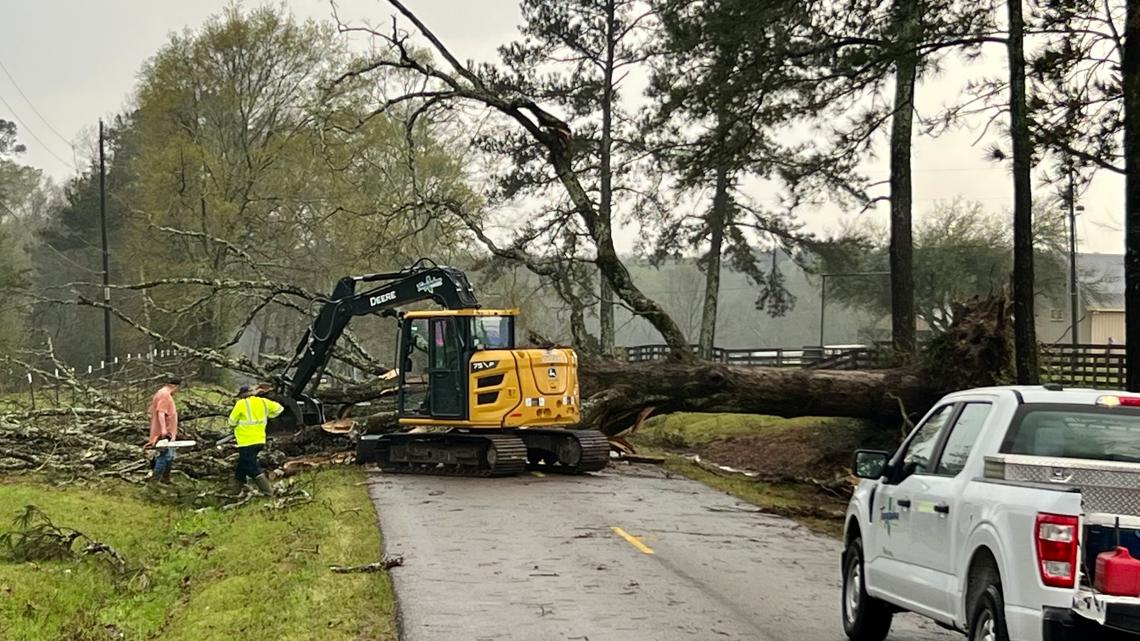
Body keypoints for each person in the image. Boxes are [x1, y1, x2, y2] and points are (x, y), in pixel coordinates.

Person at [228, 383, 284, 495]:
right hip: (260, 440)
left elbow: (231, 421)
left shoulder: (241, 404)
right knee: (242, 465)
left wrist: (236, 426)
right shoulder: (263, 402)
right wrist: (269, 416)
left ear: (241, 395)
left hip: (246, 441)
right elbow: (279, 409)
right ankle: (234, 491)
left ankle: (268, 492)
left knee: (251, 467)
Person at [146, 377, 181, 484]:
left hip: (167, 432)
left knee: (169, 456)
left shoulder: (160, 393)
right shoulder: (165, 395)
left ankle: (166, 479)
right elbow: (161, 412)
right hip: (164, 433)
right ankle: (154, 482)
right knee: (163, 457)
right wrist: (164, 430)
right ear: (175, 386)